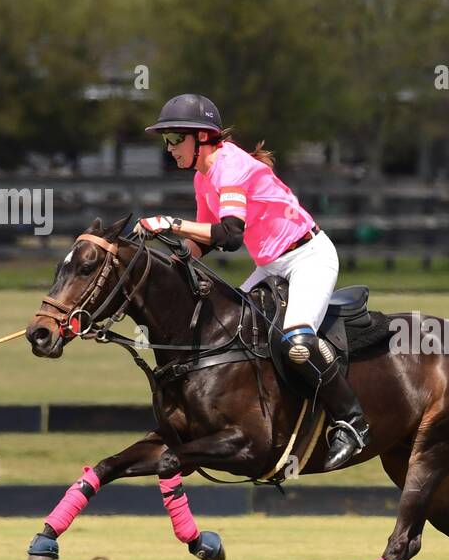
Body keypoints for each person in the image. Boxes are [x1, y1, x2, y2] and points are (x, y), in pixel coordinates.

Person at [138, 93, 369, 471]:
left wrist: (169, 222)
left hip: (308, 257)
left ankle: (352, 422)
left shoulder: (230, 166)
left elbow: (229, 234)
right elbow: (204, 241)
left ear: (201, 138)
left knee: (297, 341)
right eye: (166, 141)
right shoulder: (203, 177)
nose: (169, 149)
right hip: (272, 265)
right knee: (230, 332)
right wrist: (172, 258)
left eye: (174, 139)